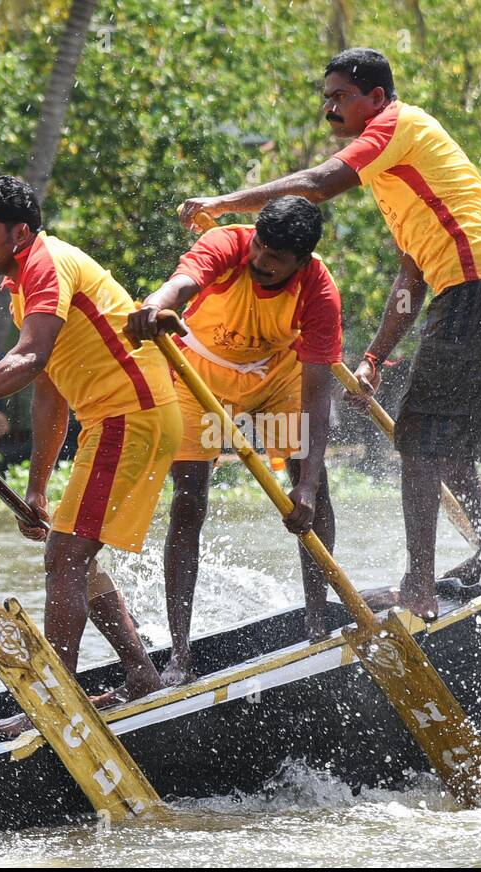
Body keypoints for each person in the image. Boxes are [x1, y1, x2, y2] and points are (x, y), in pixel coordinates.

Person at [179, 47, 481, 619]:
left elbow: (318, 184)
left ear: (376, 97)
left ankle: (419, 590)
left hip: (479, 279)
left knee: (419, 441)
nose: (330, 111)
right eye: (326, 99)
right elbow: (410, 275)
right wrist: (373, 356)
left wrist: (225, 203)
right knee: (445, 446)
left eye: (339, 98)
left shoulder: (398, 124)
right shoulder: (392, 178)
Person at [0, 175, 179, 733]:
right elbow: (50, 386)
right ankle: (140, 674)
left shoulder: (46, 265)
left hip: (130, 413)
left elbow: (29, 358)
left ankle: (56, 704)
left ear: (20, 232)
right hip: (114, 419)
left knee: (64, 558)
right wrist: (37, 485)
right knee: (73, 556)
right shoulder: (22, 283)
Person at [126, 197, 343, 684]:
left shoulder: (319, 291)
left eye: (276, 259)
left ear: (302, 261)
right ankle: (180, 655)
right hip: (198, 382)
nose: (261, 263)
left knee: (313, 493)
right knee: (188, 502)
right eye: (260, 249)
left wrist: (304, 487)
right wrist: (156, 306)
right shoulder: (228, 242)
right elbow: (183, 283)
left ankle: (317, 622)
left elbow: (316, 393)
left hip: (274, 387)